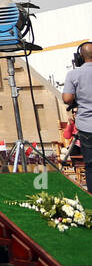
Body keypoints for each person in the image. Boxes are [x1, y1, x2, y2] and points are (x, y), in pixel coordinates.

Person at [62, 43, 92, 192]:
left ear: (80, 57)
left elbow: (67, 98)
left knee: (90, 165)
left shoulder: (74, 74)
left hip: (87, 126)